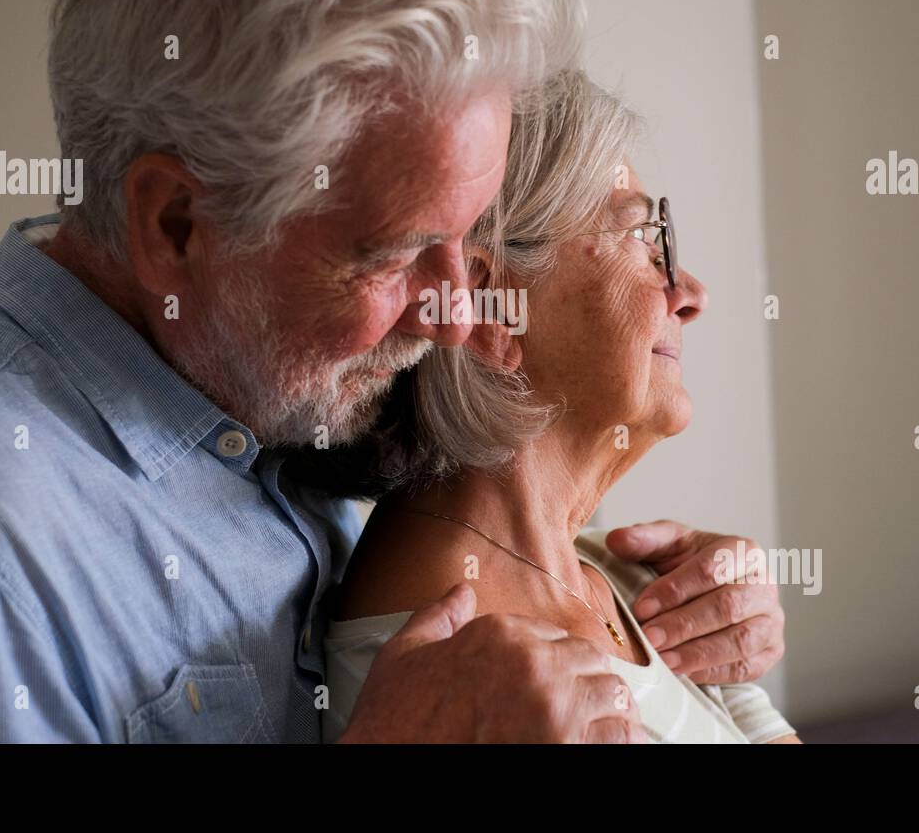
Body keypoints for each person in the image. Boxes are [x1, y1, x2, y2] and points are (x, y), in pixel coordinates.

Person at [0, 0, 785, 743]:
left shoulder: (273, 394)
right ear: (176, 224)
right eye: (402, 252)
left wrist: (696, 634)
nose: (457, 313)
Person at [315, 71, 800, 743]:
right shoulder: (474, 689)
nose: (689, 292)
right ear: (490, 312)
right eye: (644, 237)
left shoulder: (624, 581)